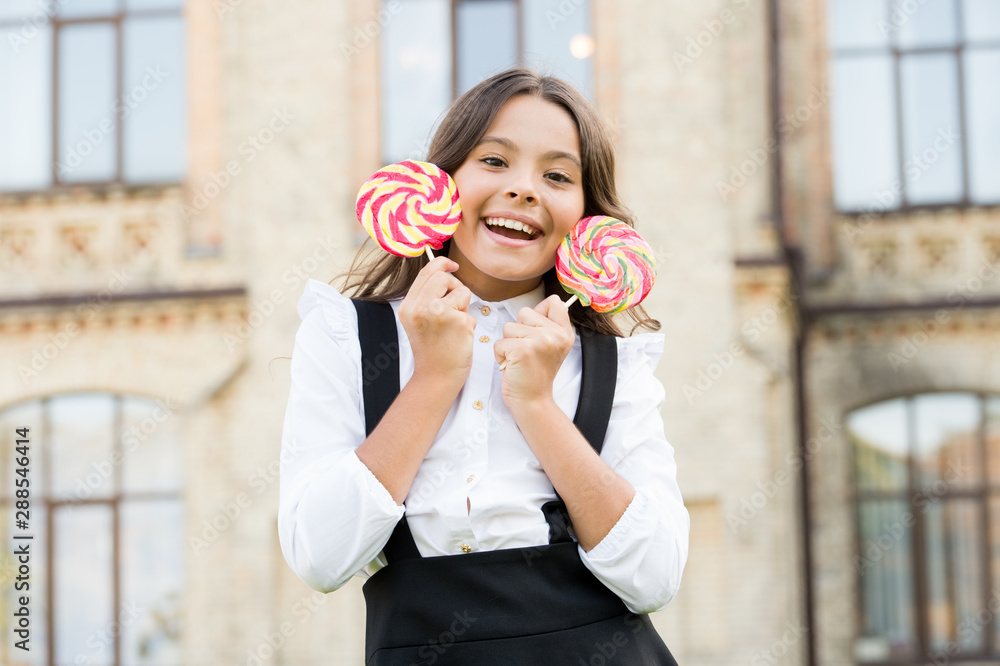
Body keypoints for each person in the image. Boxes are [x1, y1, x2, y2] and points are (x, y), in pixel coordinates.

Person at [278, 67, 690, 665]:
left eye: (556, 175)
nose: (525, 189)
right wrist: (435, 377)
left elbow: (655, 579)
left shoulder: (612, 366)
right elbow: (319, 557)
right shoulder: (345, 335)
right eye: (494, 161)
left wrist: (539, 406)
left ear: (584, 216)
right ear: (440, 184)